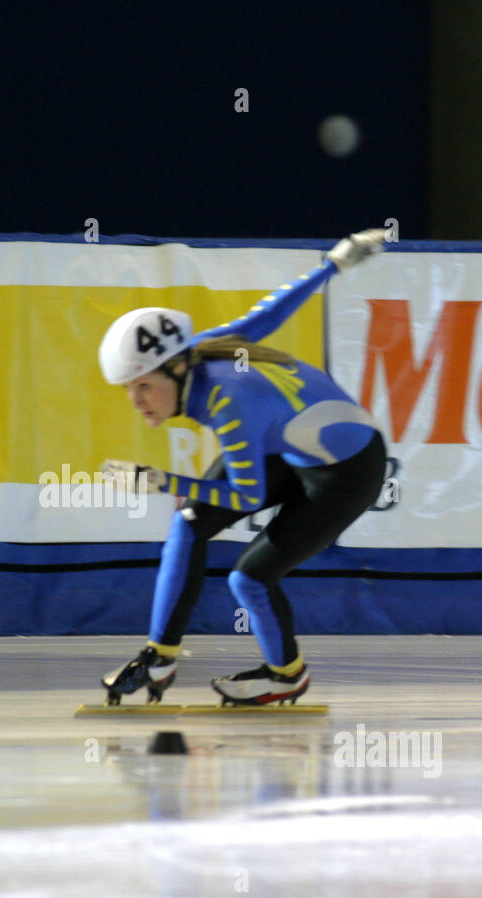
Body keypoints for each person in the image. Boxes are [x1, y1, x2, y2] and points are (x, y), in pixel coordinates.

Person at [97, 229, 389, 706]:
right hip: (293, 450)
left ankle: (286, 674)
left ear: (174, 369)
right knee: (189, 521)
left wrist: (160, 480)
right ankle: (159, 657)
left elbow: (246, 496)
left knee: (249, 579)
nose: (136, 401)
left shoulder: (229, 404)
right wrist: (333, 264)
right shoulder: (201, 350)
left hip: (346, 475)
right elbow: (268, 313)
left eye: (143, 386)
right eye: (128, 389)